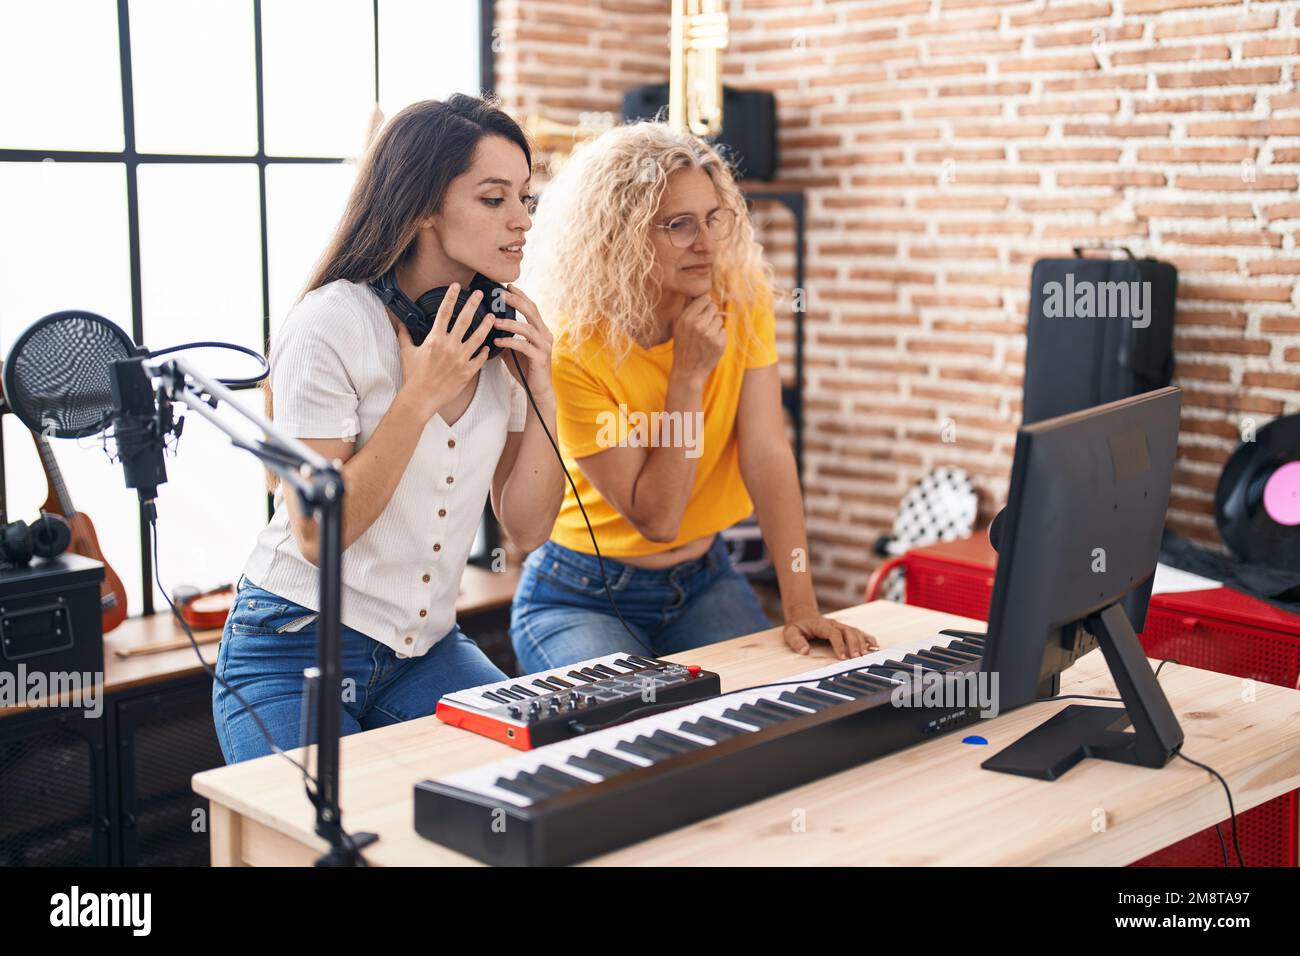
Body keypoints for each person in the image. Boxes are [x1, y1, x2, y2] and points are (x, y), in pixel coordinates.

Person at [213, 96, 564, 764]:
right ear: (425, 206)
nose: (523, 220)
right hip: (292, 646)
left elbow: (526, 530)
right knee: (337, 839)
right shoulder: (330, 323)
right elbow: (319, 536)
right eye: (494, 200)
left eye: (525, 196)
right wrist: (419, 397)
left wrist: (543, 387)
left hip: (424, 651)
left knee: (536, 775)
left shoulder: (500, 330)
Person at [509, 121, 877, 673]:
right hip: (580, 591)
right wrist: (687, 377)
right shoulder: (574, 347)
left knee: (768, 714)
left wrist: (801, 604)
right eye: (678, 225)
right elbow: (657, 519)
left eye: (712, 218)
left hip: (706, 577)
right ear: (622, 235)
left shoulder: (741, 300)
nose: (706, 243)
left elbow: (767, 452)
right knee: (633, 732)